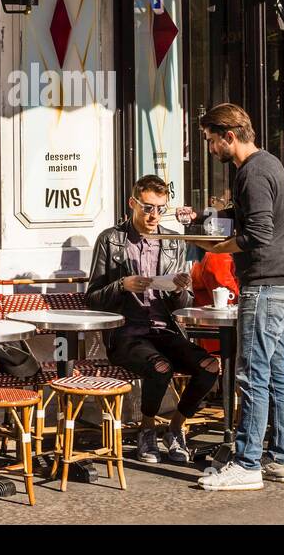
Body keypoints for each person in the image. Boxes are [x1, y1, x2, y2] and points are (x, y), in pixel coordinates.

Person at [194, 103, 284, 491]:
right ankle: (283, 458)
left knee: (251, 373)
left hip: (266, 285)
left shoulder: (252, 173)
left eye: (210, 140)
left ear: (229, 136)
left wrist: (217, 246)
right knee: (276, 372)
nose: (210, 149)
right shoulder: (271, 163)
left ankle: (247, 463)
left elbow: (258, 232)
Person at [85, 175, 219, 465]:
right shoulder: (111, 240)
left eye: (160, 208)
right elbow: (92, 297)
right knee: (161, 367)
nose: (153, 215)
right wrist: (122, 285)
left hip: (164, 330)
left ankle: (174, 429)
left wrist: (181, 289)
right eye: (147, 207)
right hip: (126, 333)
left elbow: (181, 307)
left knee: (210, 366)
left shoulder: (172, 242)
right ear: (133, 203)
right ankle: (147, 430)